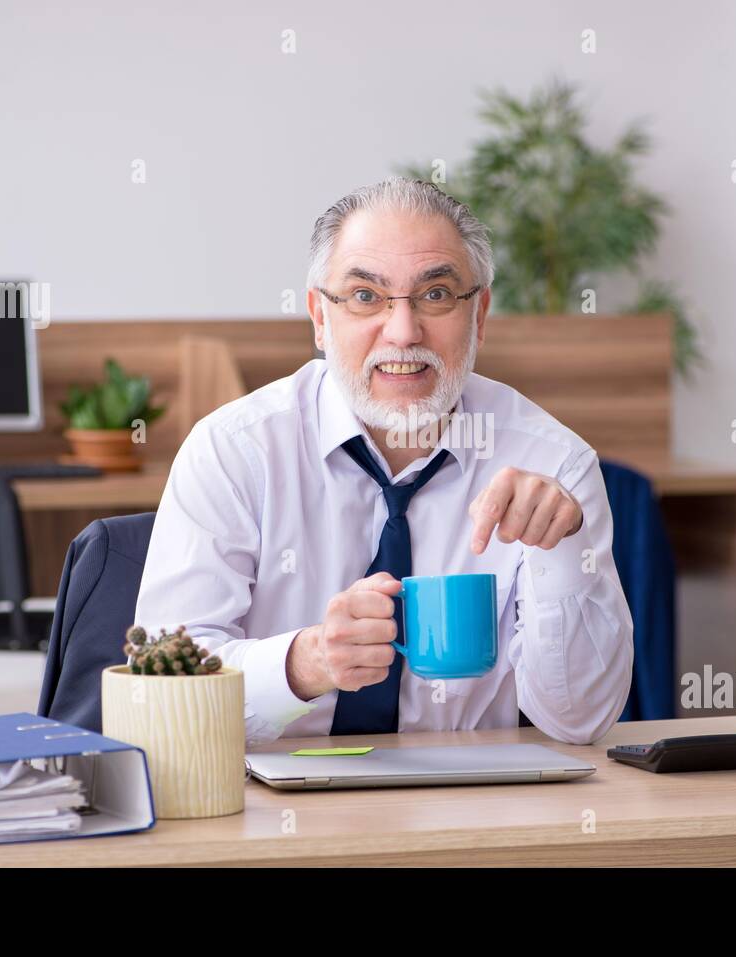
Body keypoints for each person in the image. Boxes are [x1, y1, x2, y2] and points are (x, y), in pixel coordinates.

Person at [134, 177, 633, 745]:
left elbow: (582, 721)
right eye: (366, 296)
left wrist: (559, 550)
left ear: (481, 315)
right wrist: (304, 664)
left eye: (437, 294)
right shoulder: (234, 451)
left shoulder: (553, 464)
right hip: (265, 809)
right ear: (320, 316)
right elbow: (159, 692)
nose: (402, 332)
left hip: (472, 805)